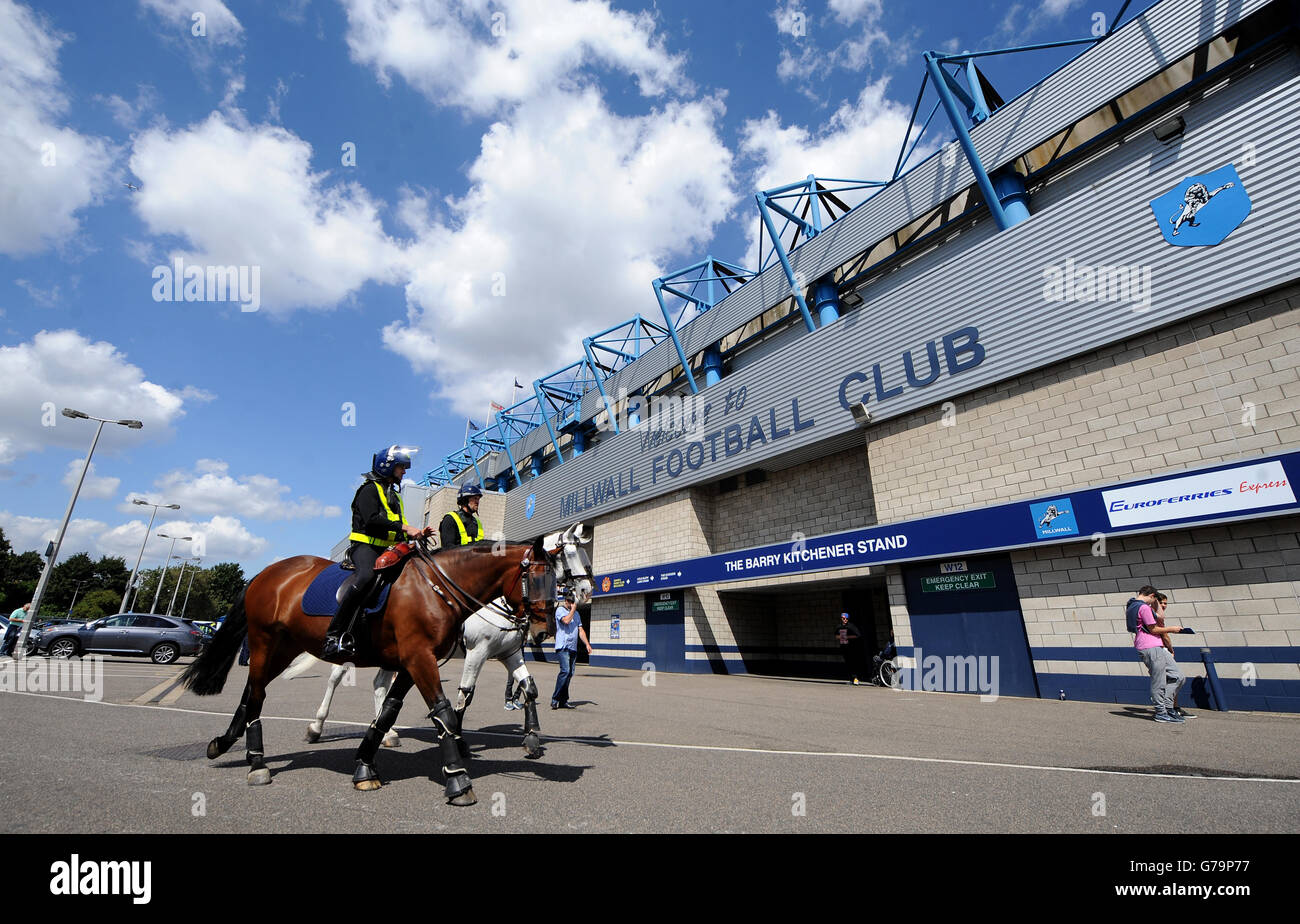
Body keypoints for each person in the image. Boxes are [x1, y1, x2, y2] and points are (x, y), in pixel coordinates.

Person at [322, 446, 432, 660]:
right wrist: (403, 527)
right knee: (366, 577)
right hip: (365, 548)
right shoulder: (368, 489)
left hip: (387, 549)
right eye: (401, 467)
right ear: (388, 466)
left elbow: (397, 526)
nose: (404, 472)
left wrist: (415, 536)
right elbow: (372, 519)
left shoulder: (394, 495)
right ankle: (333, 636)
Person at [1129, 585, 1187, 723]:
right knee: (1159, 681)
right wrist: (1172, 629)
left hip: (1155, 646)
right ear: (1152, 596)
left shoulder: (1132, 605)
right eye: (1155, 600)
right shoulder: (1143, 608)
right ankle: (1161, 712)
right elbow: (1154, 628)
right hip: (1150, 646)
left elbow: (1160, 616)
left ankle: (1167, 707)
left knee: (1178, 676)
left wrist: (1154, 601)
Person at [1155, 593, 1194, 719]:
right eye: (1162, 603)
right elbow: (1164, 635)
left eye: (1166, 603)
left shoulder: (1156, 615)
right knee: (1176, 678)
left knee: (1171, 679)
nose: (1164, 606)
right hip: (1161, 650)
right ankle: (1168, 708)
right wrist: (1171, 649)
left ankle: (1173, 707)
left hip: (1160, 650)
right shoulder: (1156, 616)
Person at [550, 589, 591, 709]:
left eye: (573, 601)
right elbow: (566, 621)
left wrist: (587, 644)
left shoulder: (577, 614)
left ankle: (563, 701)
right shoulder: (560, 610)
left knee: (569, 674)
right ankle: (555, 699)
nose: (571, 603)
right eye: (569, 601)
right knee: (565, 671)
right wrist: (573, 609)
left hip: (573, 647)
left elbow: (580, 630)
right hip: (563, 647)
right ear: (566, 601)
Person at [439, 482, 485, 549]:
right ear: (465, 500)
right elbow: (447, 549)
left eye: (478, 499)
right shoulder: (450, 519)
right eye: (475, 498)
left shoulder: (477, 523)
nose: (477, 502)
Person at [835, 612, 867, 684]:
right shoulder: (838, 627)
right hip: (843, 647)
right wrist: (840, 637)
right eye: (843, 618)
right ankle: (851, 678)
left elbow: (858, 635)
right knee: (848, 663)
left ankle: (856, 678)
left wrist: (848, 637)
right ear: (841, 619)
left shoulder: (851, 626)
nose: (845, 620)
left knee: (853, 663)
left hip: (852, 647)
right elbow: (836, 636)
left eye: (846, 618)